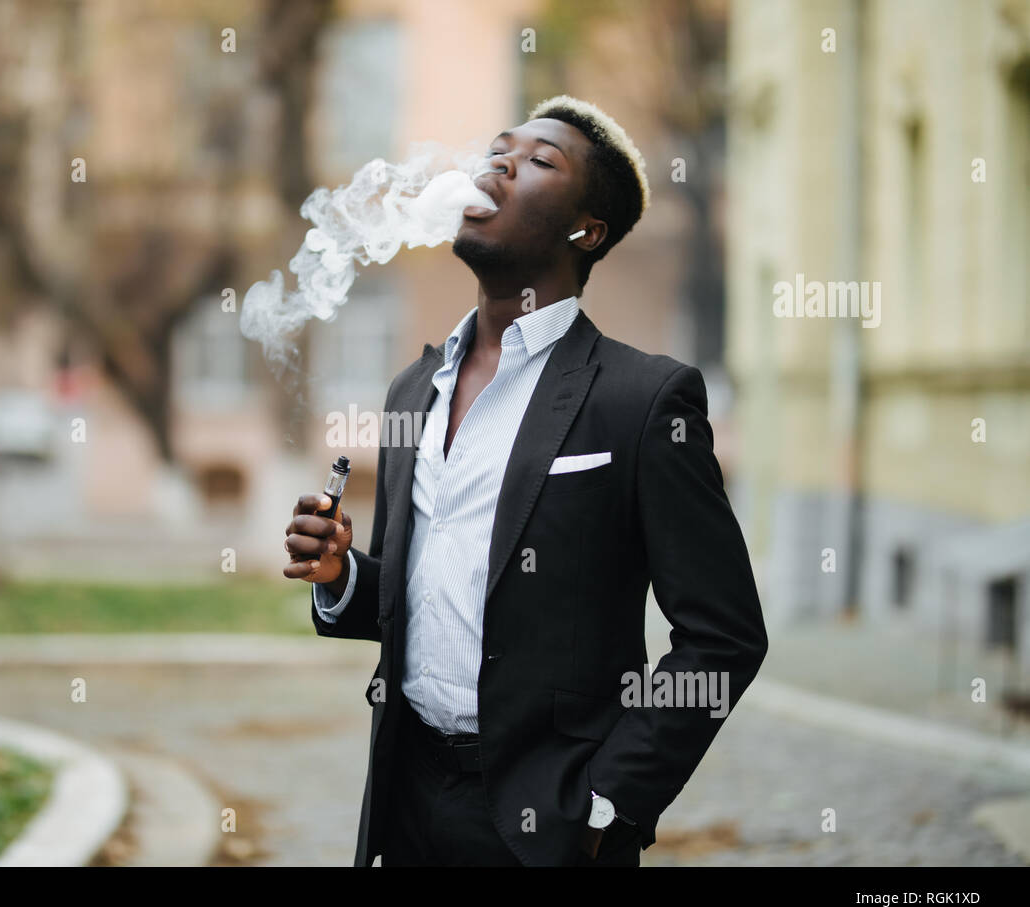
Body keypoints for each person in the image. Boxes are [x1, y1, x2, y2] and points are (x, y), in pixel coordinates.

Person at [283, 94, 767, 867]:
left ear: (587, 230)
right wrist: (344, 574)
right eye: (498, 151)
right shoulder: (414, 389)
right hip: (405, 804)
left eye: (540, 161)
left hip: (553, 825)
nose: (500, 165)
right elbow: (428, 598)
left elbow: (724, 637)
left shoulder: (642, 400)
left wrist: (610, 800)